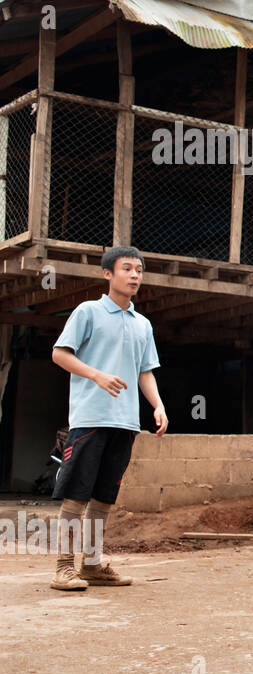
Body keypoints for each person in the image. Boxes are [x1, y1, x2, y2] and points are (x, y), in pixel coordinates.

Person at [49, 245, 167, 591]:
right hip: (91, 418)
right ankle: (63, 567)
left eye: (139, 270)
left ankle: (92, 565)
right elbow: (59, 354)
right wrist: (96, 375)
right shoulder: (88, 312)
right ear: (108, 274)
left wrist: (157, 406)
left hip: (126, 422)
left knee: (104, 498)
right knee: (77, 495)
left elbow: (145, 371)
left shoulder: (143, 324)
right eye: (127, 269)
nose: (134, 275)